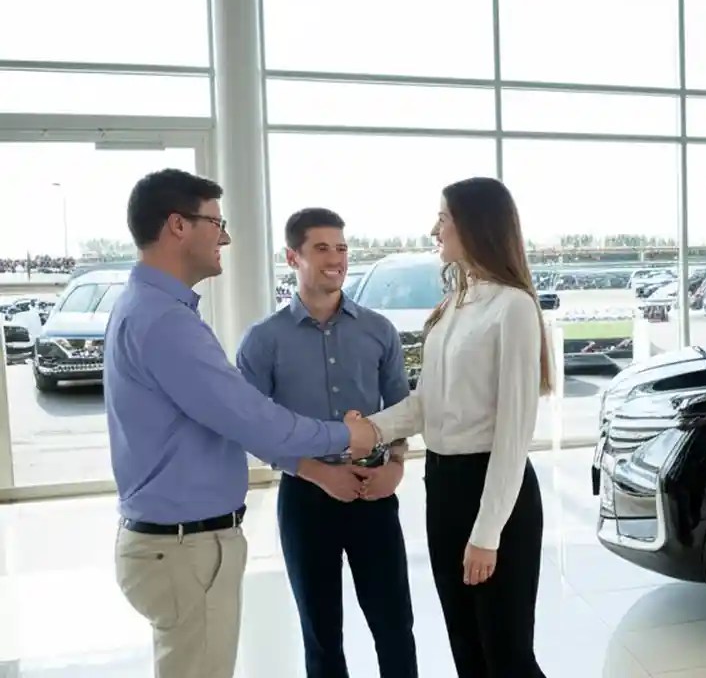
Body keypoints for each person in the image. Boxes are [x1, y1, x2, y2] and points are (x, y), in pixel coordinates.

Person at [105, 169, 379, 678]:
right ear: (177, 226)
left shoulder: (151, 308)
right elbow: (251, 418)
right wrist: (347, 434)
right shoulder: (165, 321)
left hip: (176, 546)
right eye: (216, 222)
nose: (225, 237)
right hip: (183, 549)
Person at [367, 177, 551, 677]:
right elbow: (425, 405)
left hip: (494, 489)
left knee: (507, 654)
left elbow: (514, 434)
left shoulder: (513, 307)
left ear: (474, 224)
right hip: (443, 486)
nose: (434, 229)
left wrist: (487, 533)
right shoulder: (452, 308)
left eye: (443, 218)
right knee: (466, 649)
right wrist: (365, 431)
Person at [237, 208, 417, 677]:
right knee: (321, 631)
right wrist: (319, 473)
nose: (335, 258)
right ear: (292, 256)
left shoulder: (378, 330)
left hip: (373, 492)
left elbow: (403, 410)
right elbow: (253, 428)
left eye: (341, 247)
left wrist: (394, 468)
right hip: (306, 496)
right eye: (322, 248)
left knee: (395, 624)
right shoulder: (263, 340)